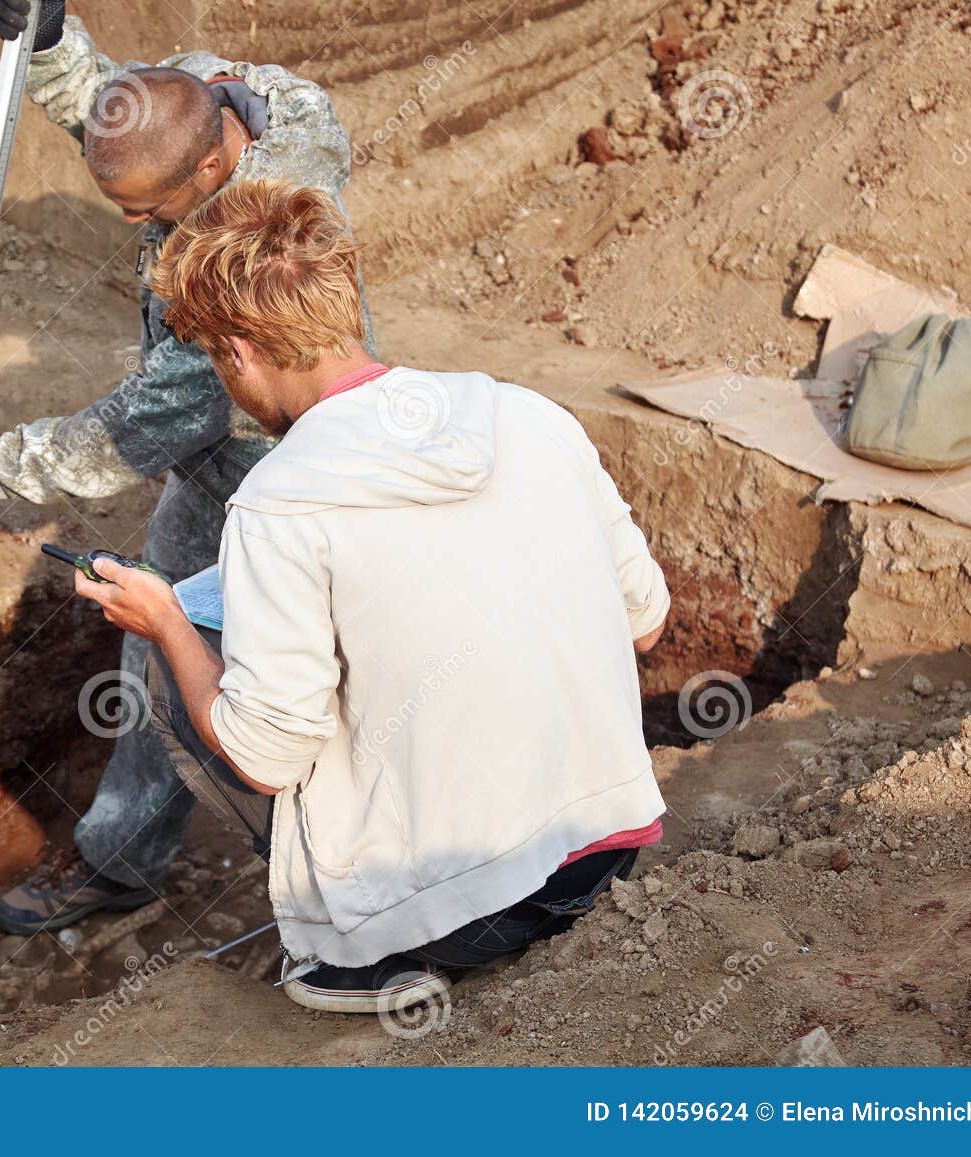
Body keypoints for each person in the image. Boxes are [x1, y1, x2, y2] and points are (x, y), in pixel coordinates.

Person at [71, 180, 671, 1015]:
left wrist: (166, 620)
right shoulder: (530, 415)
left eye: (216, 360)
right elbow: (645, 624)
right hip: (607, 857)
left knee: (187, 662)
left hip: (481, 916)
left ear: (239, 351)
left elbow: (265, 757)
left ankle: (372, 942)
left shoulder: (279, 502)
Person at [0, 0, 371, 934]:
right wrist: (53, 50)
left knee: (300, 672)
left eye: (149, 211)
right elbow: (124, 113)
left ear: (212, 169)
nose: (139, 225)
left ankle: (341, 874)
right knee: (155, 645)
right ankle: (123, 860)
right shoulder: (231, 100)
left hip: (290, 469)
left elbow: (138, 428)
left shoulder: (243, 263)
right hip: (213, 467)